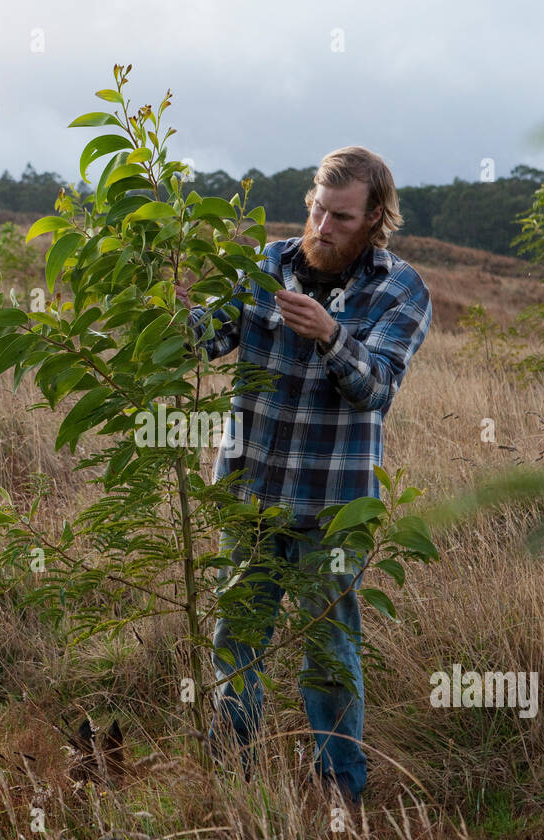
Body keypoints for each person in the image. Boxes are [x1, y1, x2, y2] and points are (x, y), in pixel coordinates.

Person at [176, 146, 432, 806]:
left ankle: (340, 792)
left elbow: (375, 387)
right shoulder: (267, 264)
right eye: (318, 208)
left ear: (375, 216)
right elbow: (205, 337)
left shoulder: (398, 288)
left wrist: (329, 336)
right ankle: (238, 779)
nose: (323, 226)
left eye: (341, 216)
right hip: (251, 499)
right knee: (237, 640)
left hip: (332, 509)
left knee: (328, 655)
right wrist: (171, 311)